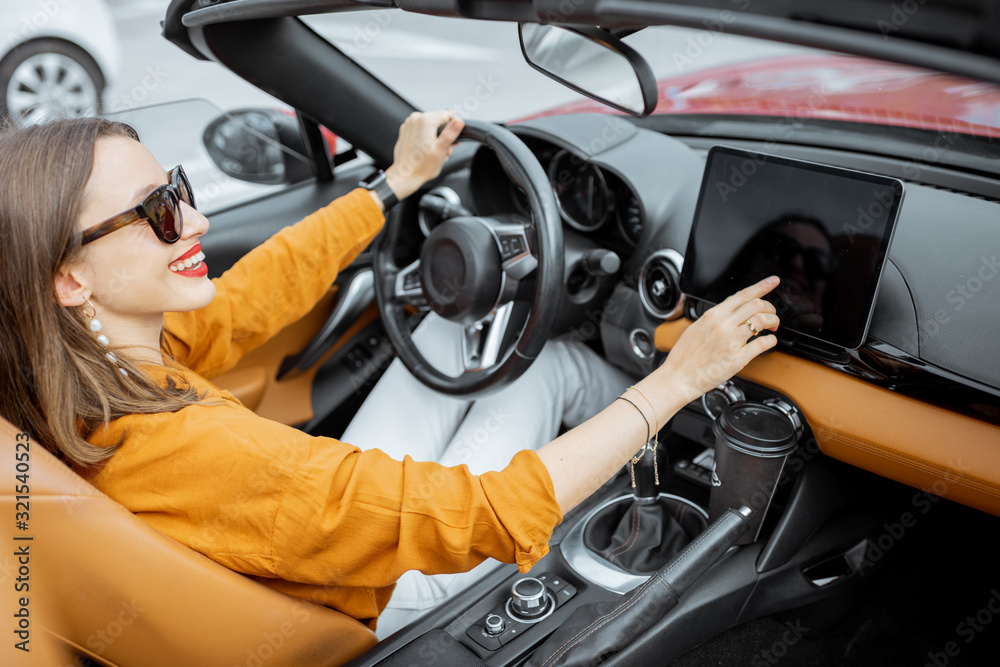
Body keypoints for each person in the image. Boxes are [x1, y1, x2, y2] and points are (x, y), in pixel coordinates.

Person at [0, 112, 780, 635]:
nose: (195, 220)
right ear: (70, 278)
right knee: (550, 369)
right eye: (159, 212)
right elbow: (485, 511)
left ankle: (656, 435)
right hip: (383, 612)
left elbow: (251, 296)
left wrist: (395, 184)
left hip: (308, 557)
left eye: (181, 189)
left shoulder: (92, 367)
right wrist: (677, 380)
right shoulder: (194, 448)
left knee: (450, 330)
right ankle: (692, 447)